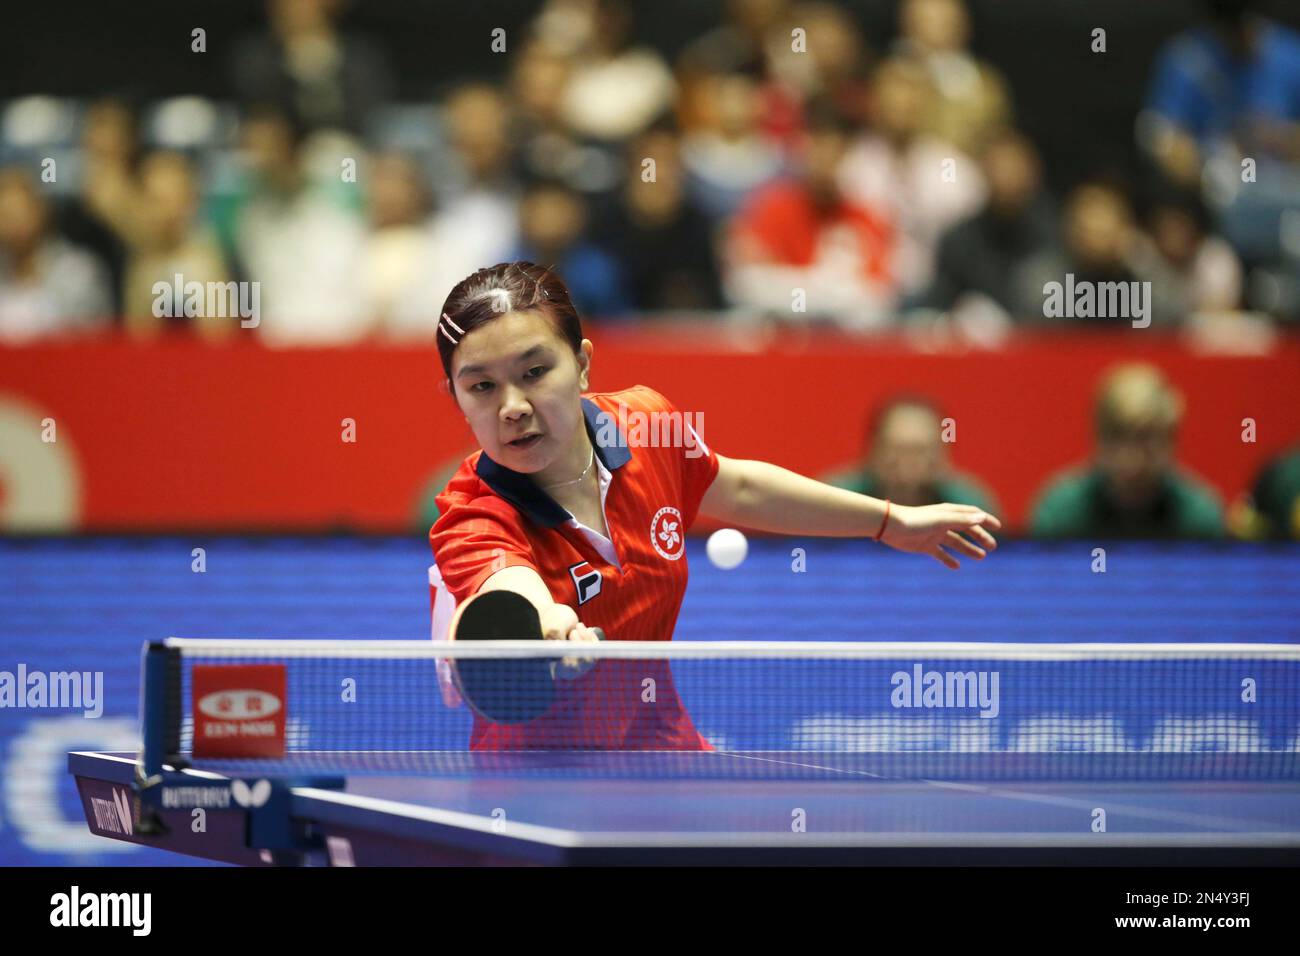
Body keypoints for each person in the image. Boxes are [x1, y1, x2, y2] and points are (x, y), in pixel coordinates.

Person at [429, 261, 1001, 749]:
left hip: (664, 752)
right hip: (539, 782)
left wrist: (889, 521)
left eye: (534, 372)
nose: (512, 406)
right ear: (453, 397)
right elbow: (506, 590)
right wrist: (548, 623)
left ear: (582, 363)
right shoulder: (471, 513)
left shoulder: (647, 423)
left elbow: (738, 486)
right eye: (481, 386)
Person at [1030, 363, 1224, 538]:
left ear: (1170, 441)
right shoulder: (1060, 513)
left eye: (1145, 442)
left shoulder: (1199, 519)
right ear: (1098, 438)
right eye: (1117, 439)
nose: (1130, 460)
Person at [824, 396, 1000, 514]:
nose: (908, 464)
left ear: (943, 455)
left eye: (921, 451)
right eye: (897, 450)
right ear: (873, 451)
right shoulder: (834, 502)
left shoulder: (970, 508)